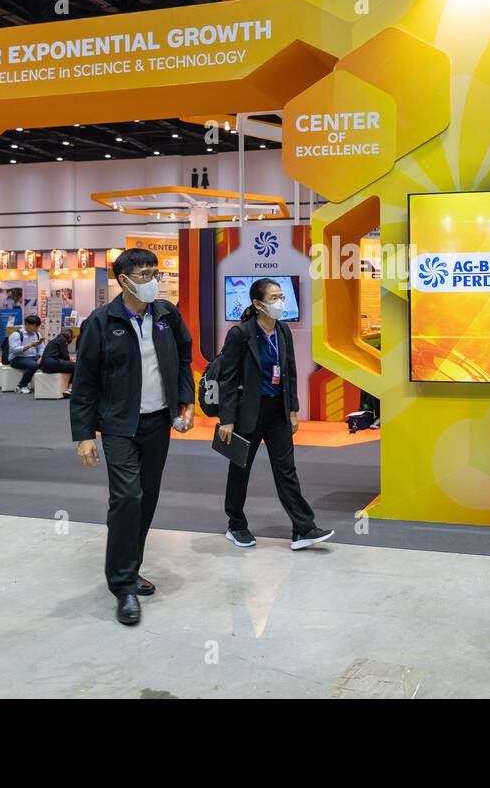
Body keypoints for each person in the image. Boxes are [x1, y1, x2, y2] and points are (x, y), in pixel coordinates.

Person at [70, 248, 195, 626]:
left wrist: (185, 401)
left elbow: (184, 358)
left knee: (147, 497)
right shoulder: (101, 322)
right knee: (126, 497)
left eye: (155, 272)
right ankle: (122, 586)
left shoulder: (166, 314)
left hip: (159, 422)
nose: (153, 279)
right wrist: (84, 434)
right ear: (123, 280)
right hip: (118, 425)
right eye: (144, 274)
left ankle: (131, 566)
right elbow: (85, 382)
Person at [216, 278, 334, 551]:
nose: (280, 302)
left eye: (281, 296)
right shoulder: (241, 334)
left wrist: (293, 409)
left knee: (286, 470)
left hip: (277, 411)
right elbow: (229, 379)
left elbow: (290, 373)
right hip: (247, 412)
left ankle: (303, 528)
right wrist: (227, 419)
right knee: (240, 469)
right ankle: (236, 524)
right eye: (273, 298)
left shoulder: (282, 331)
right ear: (258, 304)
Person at [6, 314, 44, 394]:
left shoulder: (37, 334)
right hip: (16, 358)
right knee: (33, 365)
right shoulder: (16, 335)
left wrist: (41, 356)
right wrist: (30, 345)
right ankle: (21, 386)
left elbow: (41, 347)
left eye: (37, 327)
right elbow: (14, 350)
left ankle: (43, 386)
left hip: (32, 357)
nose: (35, 329)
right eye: (34, 326)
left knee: (48, 361)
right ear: (26, 324)